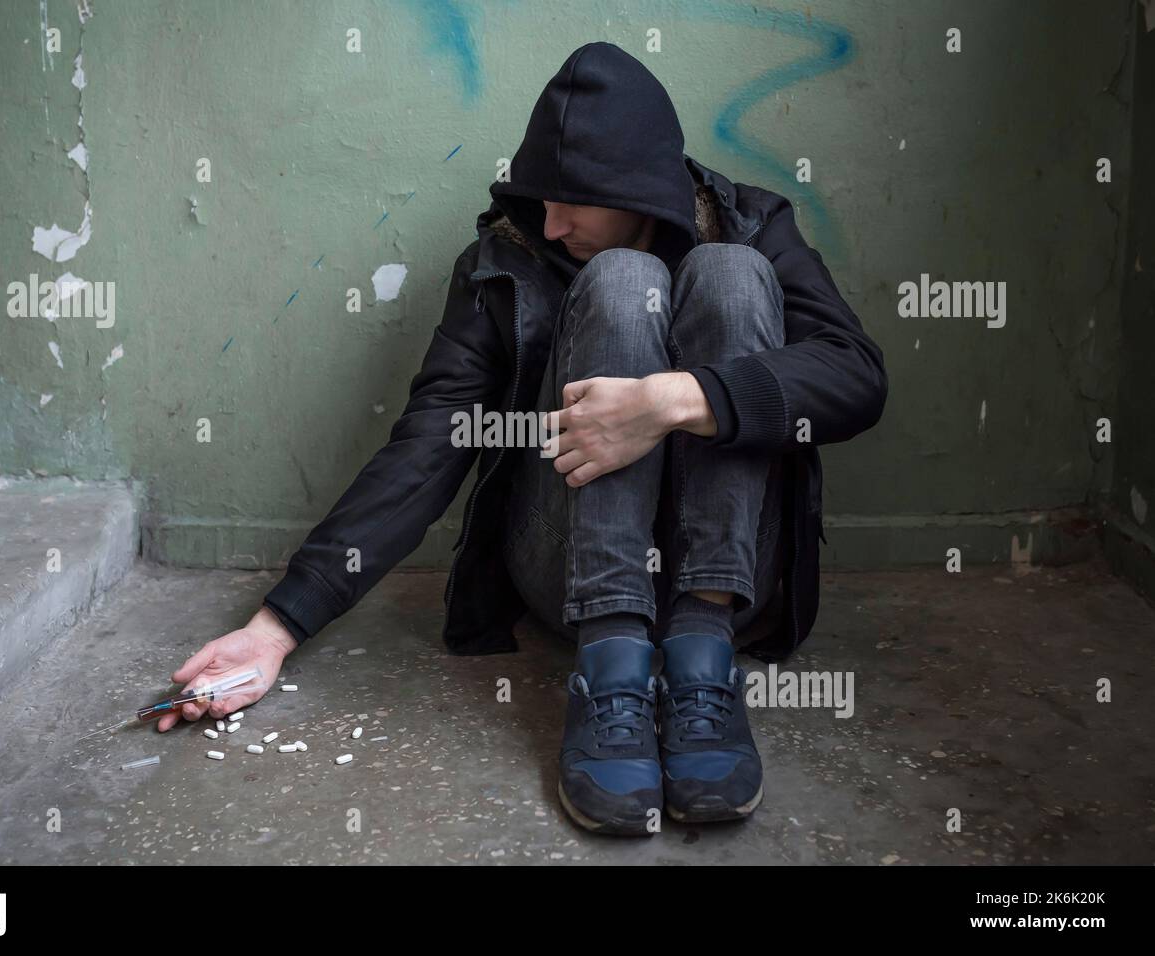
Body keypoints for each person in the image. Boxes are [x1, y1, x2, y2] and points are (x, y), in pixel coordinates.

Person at [160, 42, 887, 836]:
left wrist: (676, 399)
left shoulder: (755, 222)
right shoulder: (504, 257)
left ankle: (702, 663)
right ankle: (610, 671)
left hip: (735, 563)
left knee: (730, 273)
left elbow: (856, 377)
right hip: (571, 565)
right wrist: (276, 629)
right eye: (542, 196)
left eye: (576, 200)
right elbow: (431, 443)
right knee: (621, 282)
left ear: (645, 191)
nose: (552, 222)